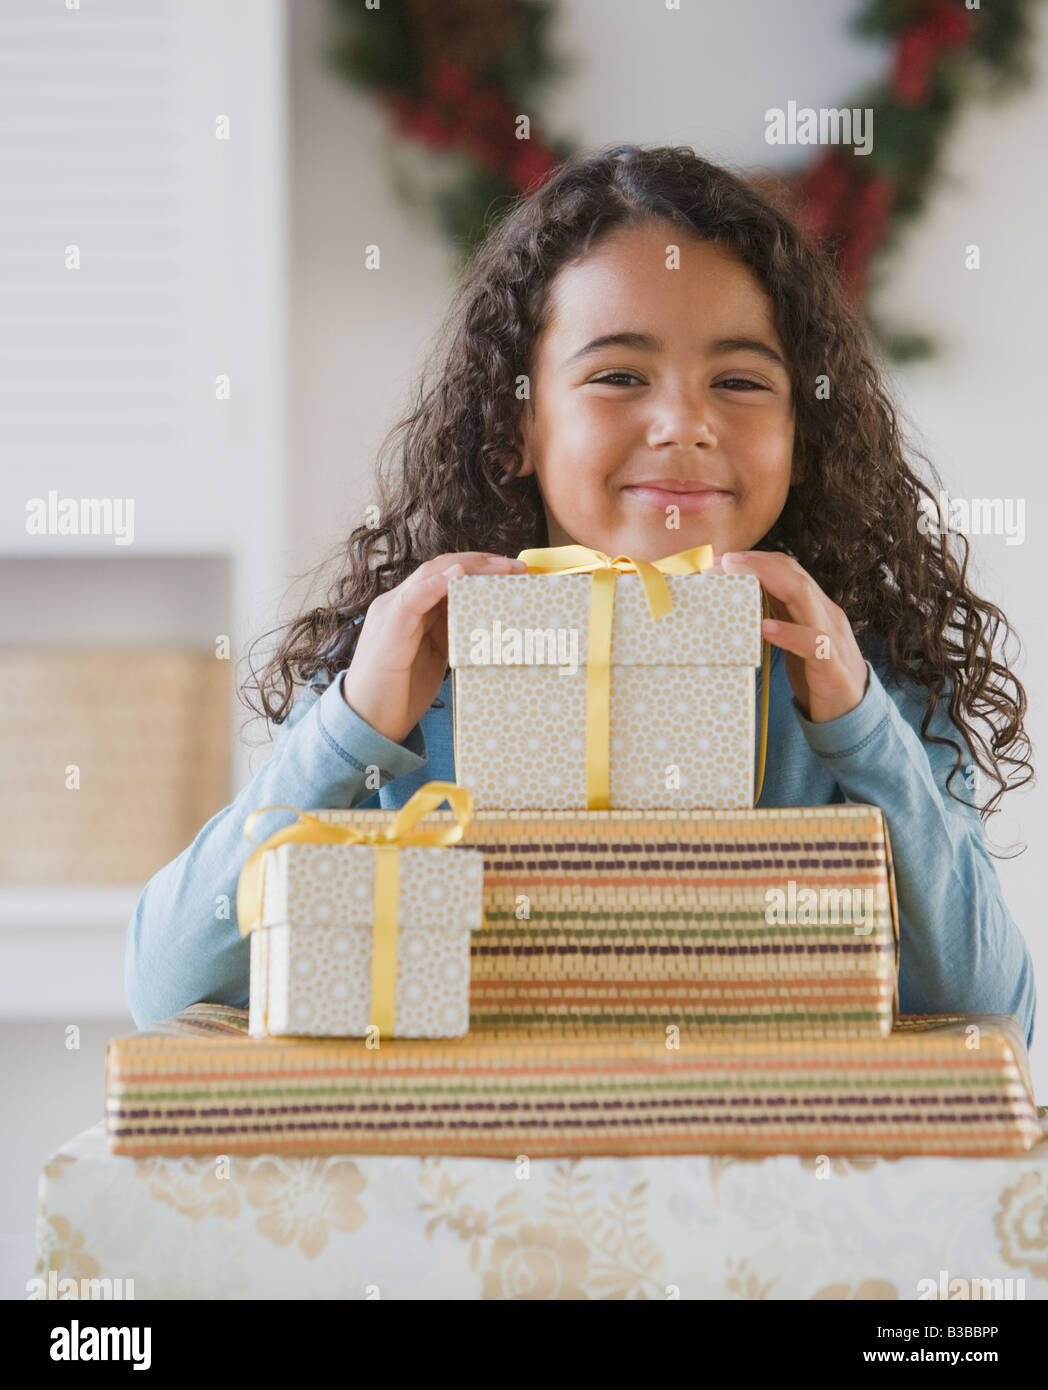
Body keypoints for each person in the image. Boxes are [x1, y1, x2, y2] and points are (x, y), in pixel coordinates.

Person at [125, 144, 1036, 1047]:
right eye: (618, 376)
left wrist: (860, 732)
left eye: (741, 381)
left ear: (805, 430)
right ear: (515, 420)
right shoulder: (411, 676)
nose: (685, 423)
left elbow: (993, 1013)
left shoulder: (864, 685)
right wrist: (351, 729)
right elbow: (168, 985)